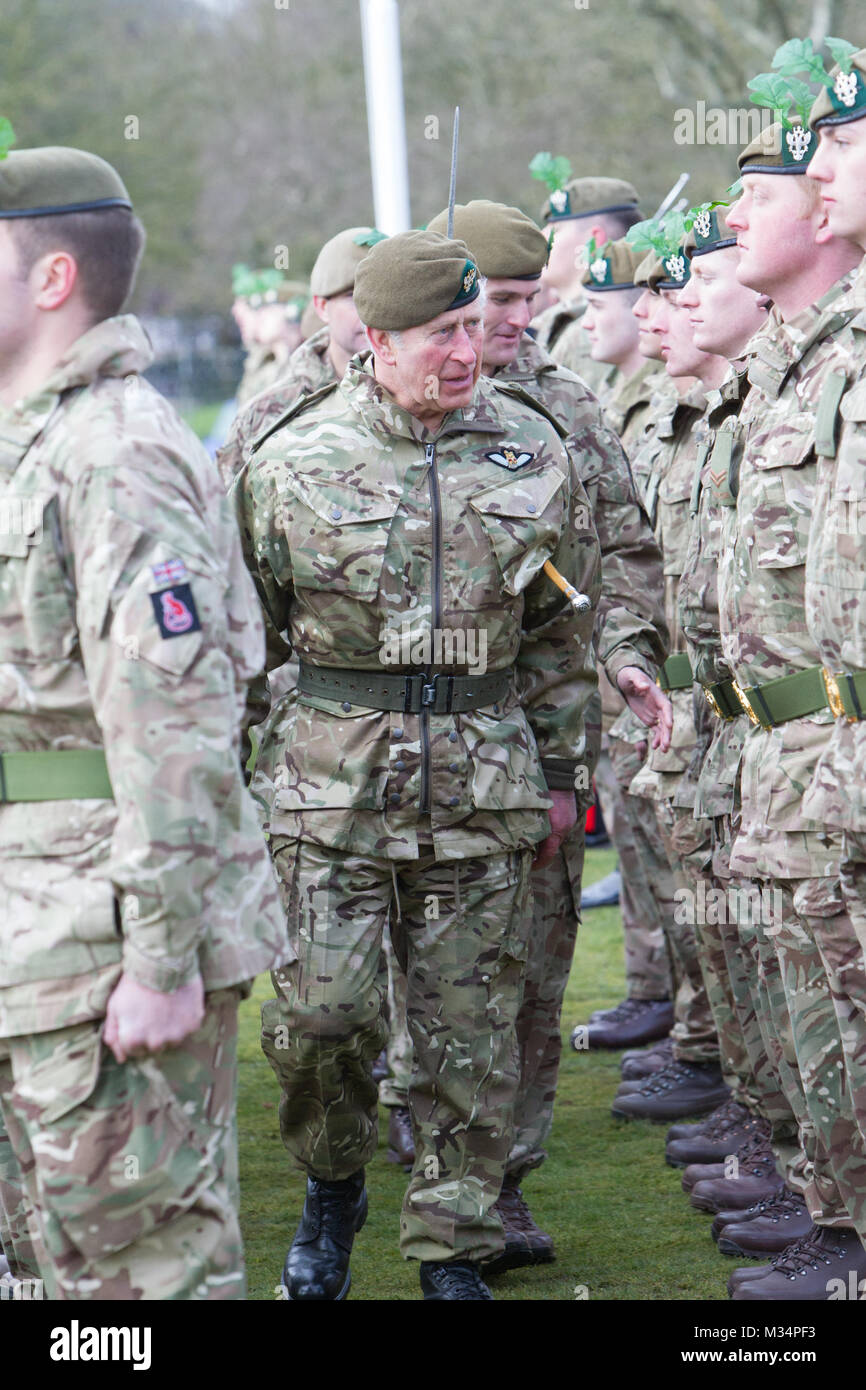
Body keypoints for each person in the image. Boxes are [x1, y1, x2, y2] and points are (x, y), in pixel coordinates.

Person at [231, 228, 602, 1301]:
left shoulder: (534, 450)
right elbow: (249, 635)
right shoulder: (291, 458)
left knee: (467, 1030)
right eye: (441, 333)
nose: (467, 350)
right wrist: (225, 785)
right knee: (320, 1019)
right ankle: (333, 1183)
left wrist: (562, 777)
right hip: (329, 785)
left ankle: (451, 1242)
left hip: (483, 783)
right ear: (377, 340)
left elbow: (560, 635)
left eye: (472, 328)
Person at [0, 143, 287, 1300]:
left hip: (104, 937)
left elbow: (175, 719)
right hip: (38, 923)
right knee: (52, 1271)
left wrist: (162, 962)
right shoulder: (32, 441)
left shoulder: (114, 450)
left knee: (143, 1272)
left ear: (52, 277)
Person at [425, 199, 670, 1270]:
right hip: (409, 744)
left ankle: (501, 1184)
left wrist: (628, 652)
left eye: (530, 298)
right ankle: (427, 1143)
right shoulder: (386, 406)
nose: (518, 318)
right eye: (500, 298)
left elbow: (625, 555)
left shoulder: (568, 408)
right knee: (427, 967)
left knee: (528, 969)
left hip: (541, 737)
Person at [716, 105, 866, 1301]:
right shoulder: (808, 354)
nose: (819, 174)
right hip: (800, 727)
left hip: (836, 723)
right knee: (815, 984)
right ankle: (839, 1216)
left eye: (841, 151)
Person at [529, 161, 641, 392]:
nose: (542, 236)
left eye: (556, 229)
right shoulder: (564, 320)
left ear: (594, 239)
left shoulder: (592, 330)